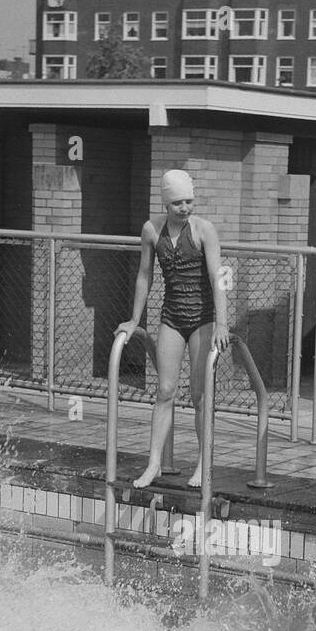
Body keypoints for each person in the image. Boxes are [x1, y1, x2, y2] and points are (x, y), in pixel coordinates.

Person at [116, 169, 230, 489]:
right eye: (178, 202)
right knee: (164, 391)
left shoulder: (205, 230)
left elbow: (217, 278)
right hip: (172, 317)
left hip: (203, 318)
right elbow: (144, 275)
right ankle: (154, 463)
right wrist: (134, 321)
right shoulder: (152, 231)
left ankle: (203, 464)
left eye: (189, 201)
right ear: (166, 203)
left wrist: (222, 322)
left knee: (198, 395)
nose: (185, 207)